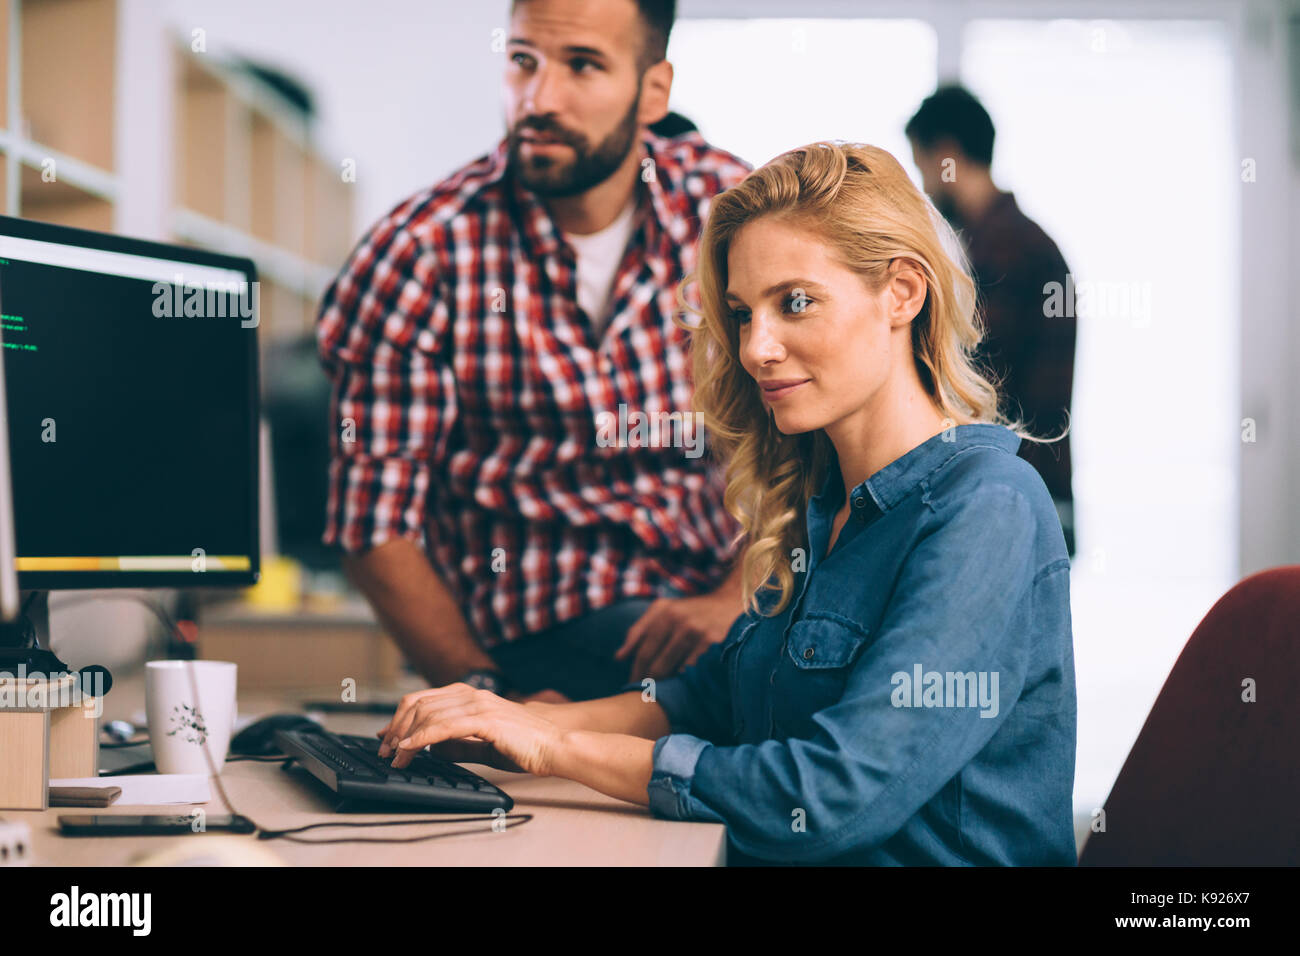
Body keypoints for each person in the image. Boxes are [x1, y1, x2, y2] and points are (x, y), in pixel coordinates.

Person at [375, 141, 1079, 866]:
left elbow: (828, 796)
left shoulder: (987, 507)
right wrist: (508, 721)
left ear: (901, 293)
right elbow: (711, 698)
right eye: (743, 314)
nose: (755, 348)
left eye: (795, 303)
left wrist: (554, 746)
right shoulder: (825, 505)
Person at [316, 0, 753, 703]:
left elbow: (818, 440)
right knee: (757, 695)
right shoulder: (420, 252)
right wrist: (489, 698)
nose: (538, 99)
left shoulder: (727, 212)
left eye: (582, 65)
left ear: (653, 92)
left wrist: (740, 595)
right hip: (544, 622)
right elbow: (374, 526)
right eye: (523, 61)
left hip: (726, 601)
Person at [906, 85, 1077, 555]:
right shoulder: (1021, 243)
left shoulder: (1003, 253)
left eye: (922, 165)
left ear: (945, 154)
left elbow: (973, 380)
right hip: (1027, 485)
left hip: (1007, 492)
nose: (924, 184)